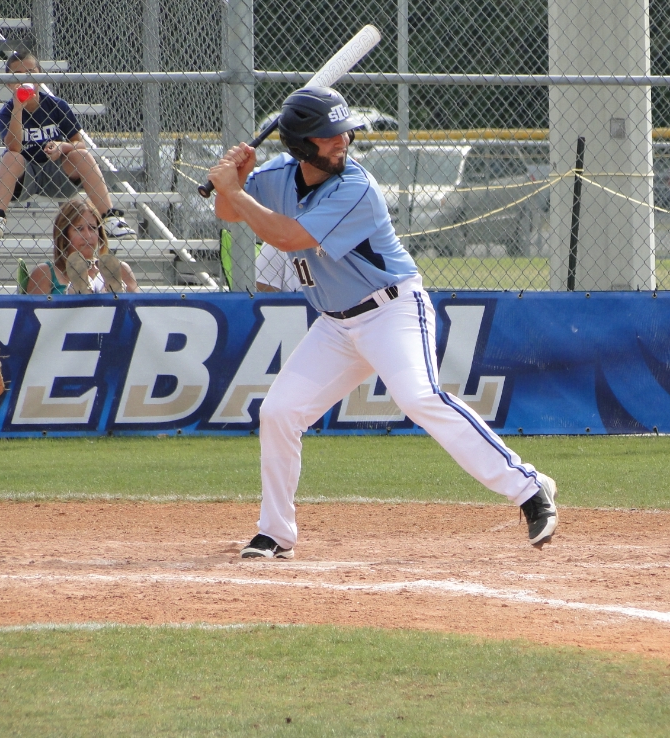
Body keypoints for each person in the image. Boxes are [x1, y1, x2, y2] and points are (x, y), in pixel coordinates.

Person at [209, 86, 558, 559]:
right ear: (300, 144)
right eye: (328, 136)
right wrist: (237, 179)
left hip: (391, 311)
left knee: (420, 397)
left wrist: (234, 188)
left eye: (343, 132)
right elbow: (228, 211)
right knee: (278, 413)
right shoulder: (276, 177)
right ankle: (275, 532)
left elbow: (287, 237)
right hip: (335, 325)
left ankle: (531, 489)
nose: (342, 141)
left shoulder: (356, 187)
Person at [0, 50, 135, 240]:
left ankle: (110, 218)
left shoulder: (56, 106)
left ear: (40, 76)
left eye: (31, 72)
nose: (26, 79)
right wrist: (18, 109)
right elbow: (14, 147)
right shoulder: (7, 111)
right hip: (25, 178)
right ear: (9, 83)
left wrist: (62, 147)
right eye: (19, 75)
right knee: (10, 157)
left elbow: (80, 144)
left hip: (56, 173)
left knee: (81, 155)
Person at [26, 197, 138, 295]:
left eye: (92, 228)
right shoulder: (45, 273)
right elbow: (32, 315)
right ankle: (78, 291)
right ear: (64, 236)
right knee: (80, 293)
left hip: (109, 317)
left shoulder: (120, 269)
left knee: (113, 282)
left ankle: (110, 290)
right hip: (65, 318)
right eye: (79, 229)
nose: (87, 235)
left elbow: (138, 312)